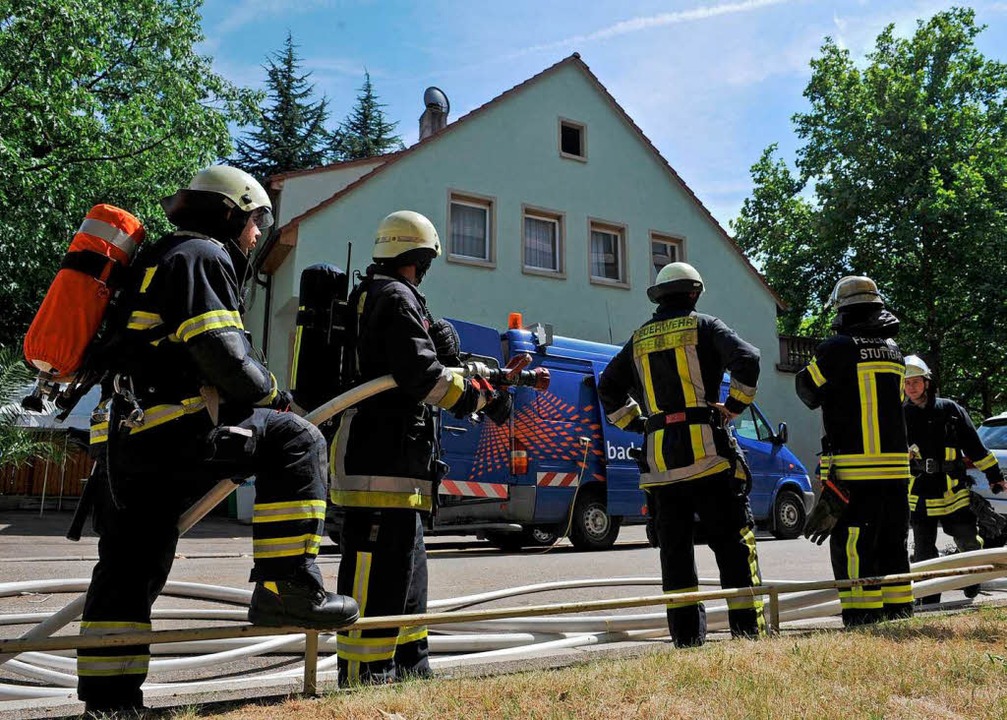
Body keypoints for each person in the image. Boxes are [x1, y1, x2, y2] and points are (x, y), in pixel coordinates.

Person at [77, 166, 358, 716]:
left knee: (128, 572)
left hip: (122, 444)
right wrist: (277, 398)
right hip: (173, 432)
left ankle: (110, 704)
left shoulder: (159, 258)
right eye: (256, 224)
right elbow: (224, 354)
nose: (257, 238)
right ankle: (288, 588)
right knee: (298, 441)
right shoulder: (203, 256)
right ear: (231, 214)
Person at [330, 210, 510, 684]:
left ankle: (410, 664)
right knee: (376, 570)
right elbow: (423, 376)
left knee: (407, 574)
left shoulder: (381, 295)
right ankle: (364, 671)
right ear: (419, 255)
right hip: (377, 460)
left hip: (396, 460)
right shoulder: (393, 297)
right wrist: (473, 398)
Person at [597, 261, 765, 648]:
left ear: (658, 297)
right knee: (732, 545)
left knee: (675, 556)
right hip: (708, 457)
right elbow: (749, 359)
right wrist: (735, 406)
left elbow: (608, 386)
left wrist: (640, 424)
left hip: (661, 466)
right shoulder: (706, 327)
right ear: (694, 293)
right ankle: (747, 633)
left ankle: (687, 641)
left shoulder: (639, 338)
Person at [796, 275, 913, 626]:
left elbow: (807, 389)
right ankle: (899, 612)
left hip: (855, 468)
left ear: (843, 311)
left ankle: (862, 617)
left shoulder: (836, 348)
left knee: (853, 542)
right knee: (892, 541)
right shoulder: (895, 351)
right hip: (895, 471)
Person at [903, 354, 1005, 603]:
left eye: (916, 382)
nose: (911, 387)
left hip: (953, 489)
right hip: (920, 491)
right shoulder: (900, 415)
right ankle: (928, 596)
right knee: (924, 549)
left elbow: (975, 447)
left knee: (967, 541)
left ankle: (971, 578)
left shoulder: (949, 410)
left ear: (927, 382)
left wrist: (995, 477)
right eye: (906, 383)